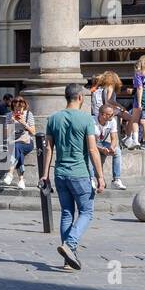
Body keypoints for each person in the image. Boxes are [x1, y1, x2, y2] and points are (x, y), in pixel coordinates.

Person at [41, 83, 104, 271]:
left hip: (60, 173)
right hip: (80, 173)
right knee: (86, 212)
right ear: (80, 98)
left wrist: (45, 174)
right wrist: (100, 176)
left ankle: (68, 259)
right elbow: (93, 149)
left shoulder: (53, 119)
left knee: (67, 212)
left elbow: (48, 149)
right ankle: (70, 244)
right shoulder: (86, 119)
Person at [0, 96, 36, 189]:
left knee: (17, 147)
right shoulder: (9, 115)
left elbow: (33, 132)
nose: (18, 111)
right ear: (13, 107)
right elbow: (5, 135)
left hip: (27, 142)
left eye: (20, 109)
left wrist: (24, 123)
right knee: (17, 149)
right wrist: (11, 122)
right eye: (16, 109)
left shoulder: (29, 115)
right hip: (14, 142)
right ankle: (21, 179)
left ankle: (10, 173)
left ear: (24, 107)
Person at [93, 104, 127, 190]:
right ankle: (90, 180)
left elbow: (114, 137)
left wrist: (112, 147)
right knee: (90, 153)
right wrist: (101, 149)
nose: (113, 115)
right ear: (102, 115)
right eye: (110, 114)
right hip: (91, 144)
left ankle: (116, 180)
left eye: (113, 114)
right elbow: (91, 143)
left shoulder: (112, 121)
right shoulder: (92, 121)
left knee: (117, 151)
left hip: (101, 143)